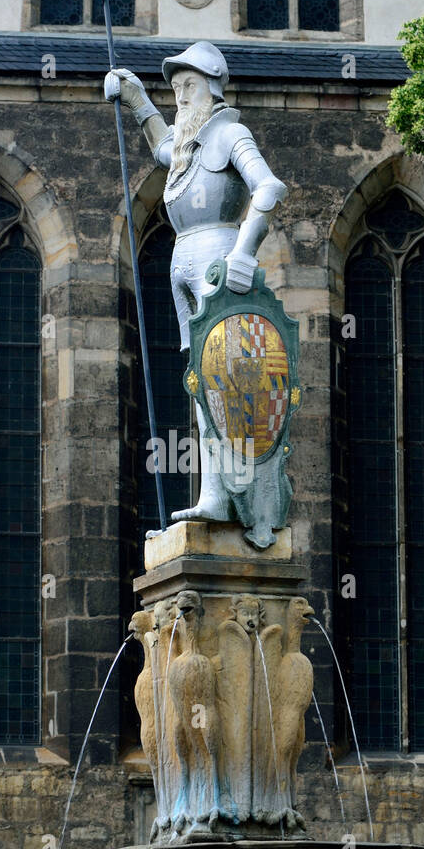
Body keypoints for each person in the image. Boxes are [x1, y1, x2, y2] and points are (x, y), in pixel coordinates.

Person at [105, 42, 287, 525]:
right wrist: (136, 97)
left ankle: (233, 495)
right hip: (183, 259)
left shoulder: (230, 133)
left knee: (224, 381)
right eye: (176, 88)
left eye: (187, 87)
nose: (180, 97)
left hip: (216, 255)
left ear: (210, 87)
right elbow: (163, 145)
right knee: (199, 381)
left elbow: (268, 187)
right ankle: (213, 494)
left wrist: (244, 254)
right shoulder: (189, 142)